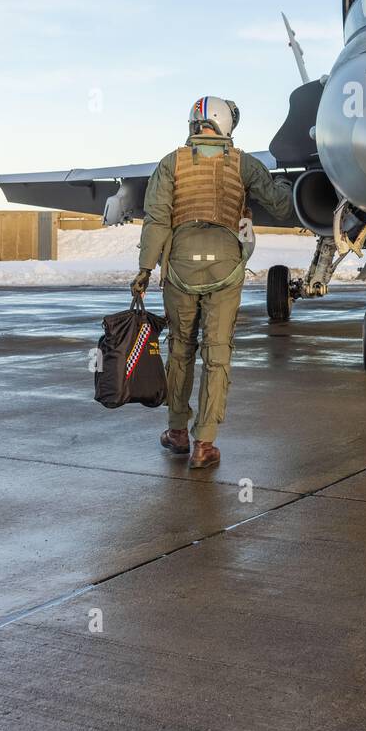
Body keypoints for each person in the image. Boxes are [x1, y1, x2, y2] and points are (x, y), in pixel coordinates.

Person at [130, 97, 294, 470]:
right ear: (225, 125)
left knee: (180, 348)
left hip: (180, 269)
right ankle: (205, 443)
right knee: (217, 353)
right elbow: (282, 206)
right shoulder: (244, 163)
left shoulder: (170, 163)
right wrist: (282, 183)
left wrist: (144, 271)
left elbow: (155, 220)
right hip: (225, 268)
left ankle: (176, 432)